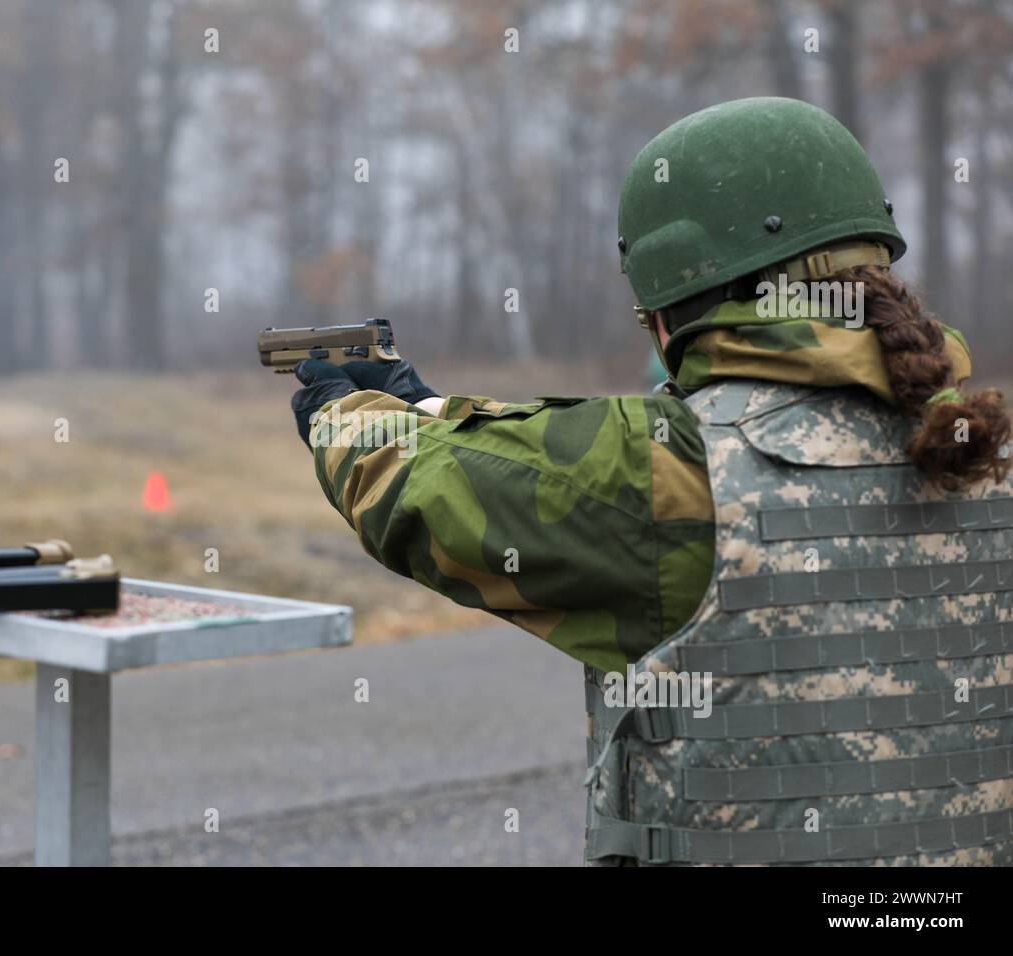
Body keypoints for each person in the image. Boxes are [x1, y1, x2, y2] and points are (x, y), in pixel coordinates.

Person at [289, 97, 1013, 866]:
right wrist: (430, 405)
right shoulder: (975, 449)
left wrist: (345, 412)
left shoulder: (668, 469)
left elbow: (419, 489)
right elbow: (563, 453)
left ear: (676, 306)